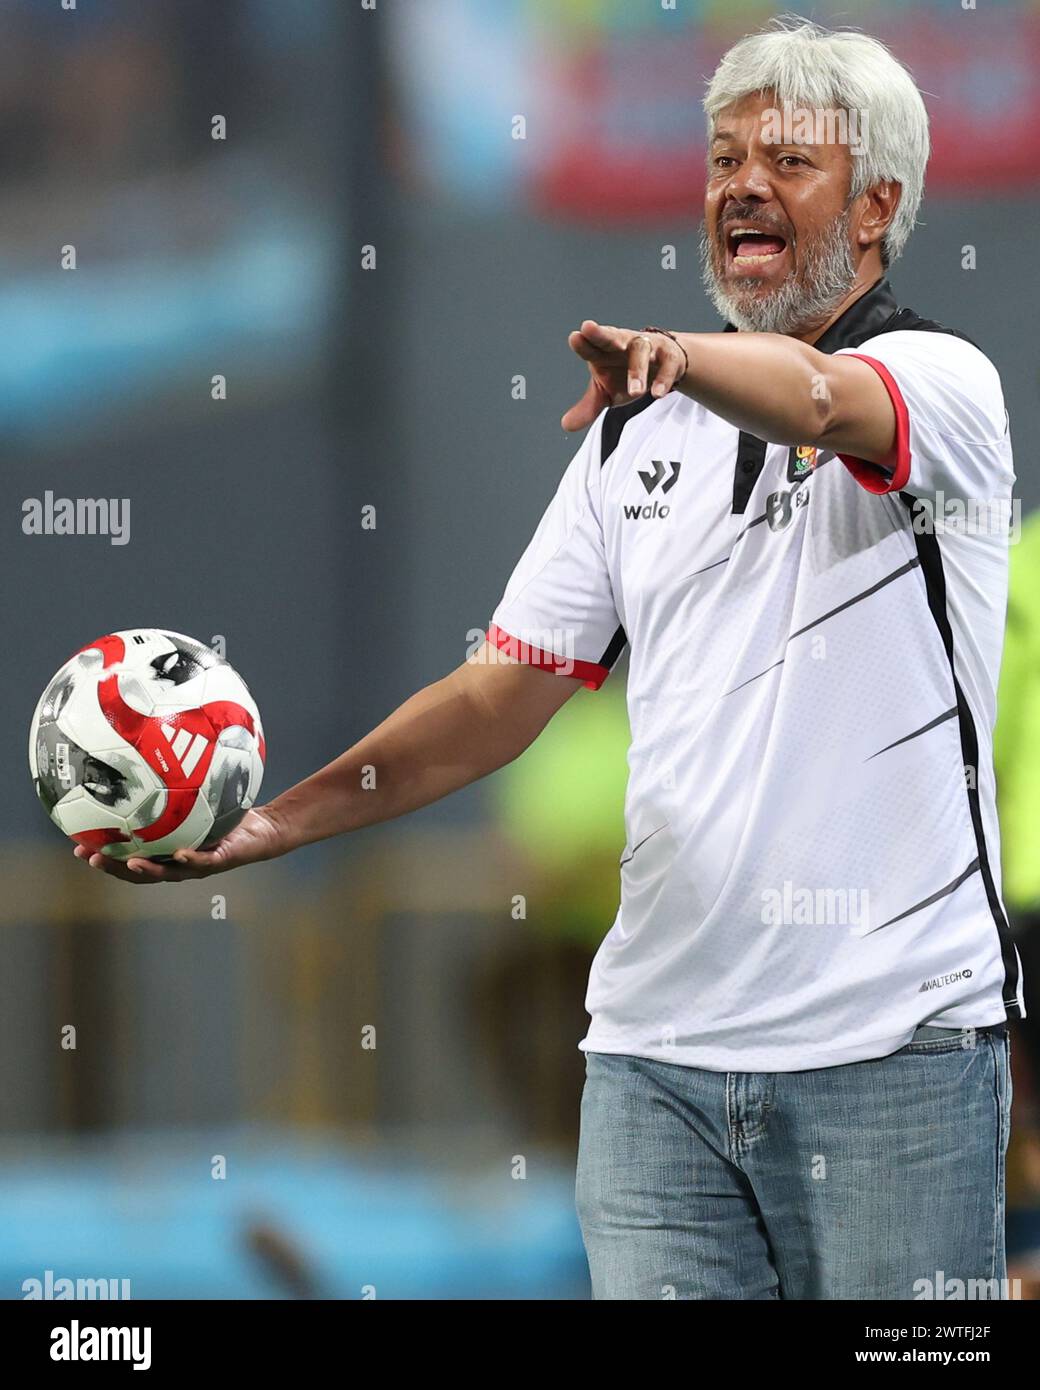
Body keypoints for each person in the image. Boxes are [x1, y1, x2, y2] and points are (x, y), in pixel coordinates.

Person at [78, 18, 1022, 1300]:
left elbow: (811, 398)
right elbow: (492, 698)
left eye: (786, 160)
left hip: (893, 1052)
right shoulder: (635, 439)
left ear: (874, 211)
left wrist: (681, 361)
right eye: (722, 156)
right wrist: (273, 827)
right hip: (653, 1068)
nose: (738, 182)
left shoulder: (943, 383)